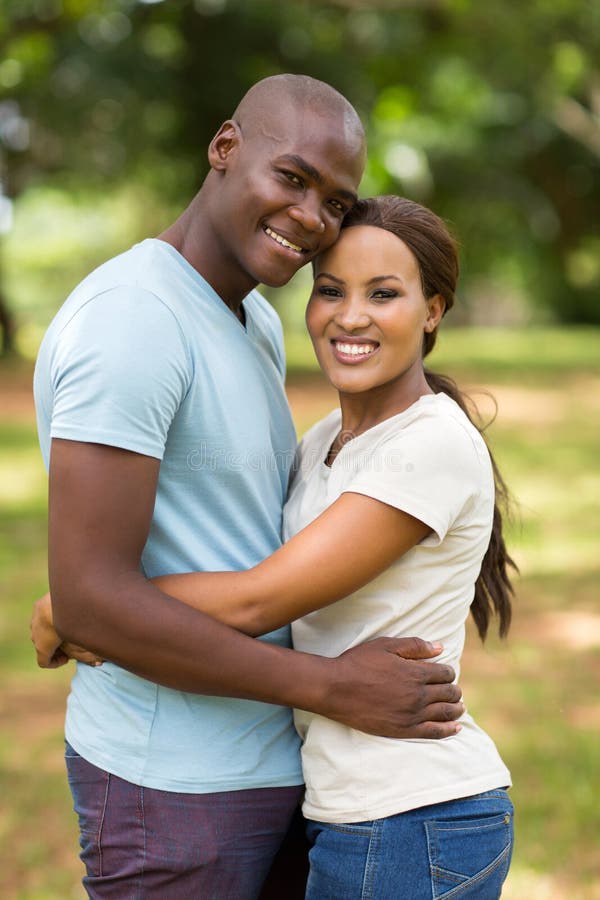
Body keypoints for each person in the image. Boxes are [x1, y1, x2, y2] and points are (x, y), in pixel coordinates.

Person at [31, 76, 465, 899]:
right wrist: (331, 688)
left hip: (280, 769)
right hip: (173, 789)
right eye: (292, 179)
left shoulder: (252, 318)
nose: (311, 218)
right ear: (225, 148)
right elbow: (90, 598)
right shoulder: (132, 320)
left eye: (337, 203)